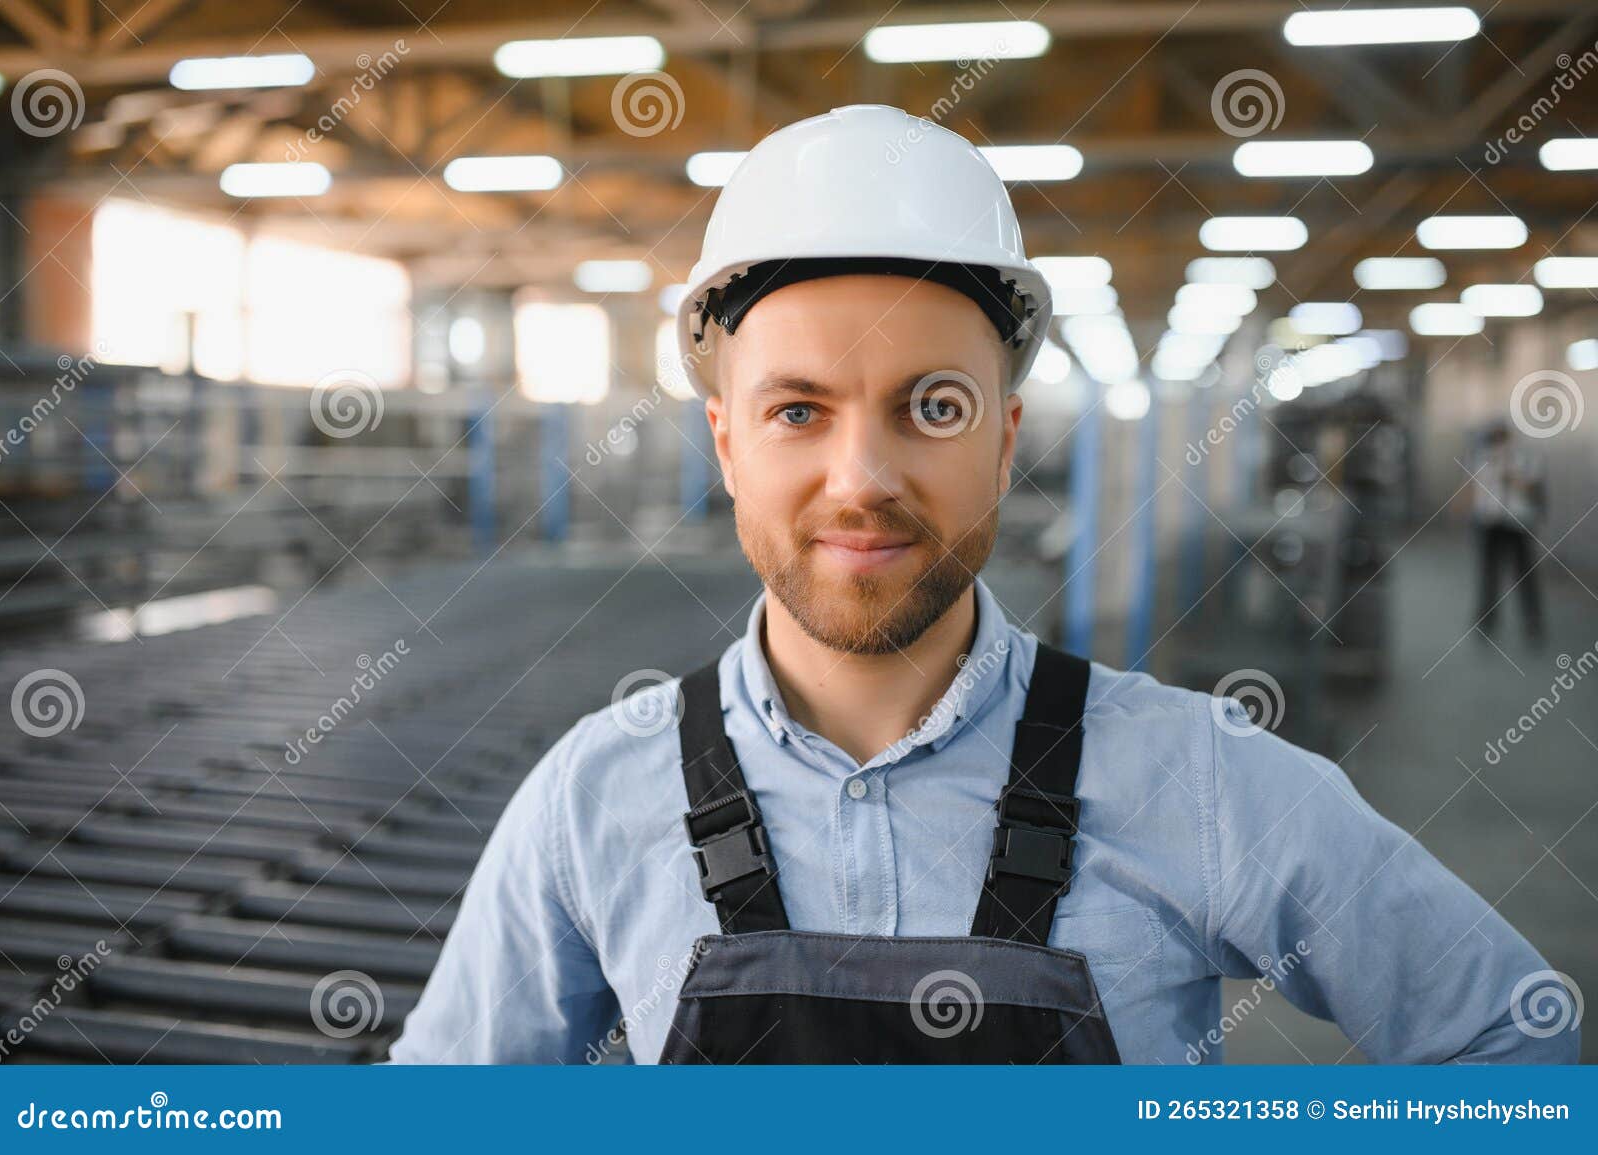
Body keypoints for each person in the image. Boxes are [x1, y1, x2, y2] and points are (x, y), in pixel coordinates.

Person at [387, 106, 1577, 1065]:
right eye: (797, 410)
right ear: (726, 445)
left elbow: (1511, 1046)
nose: (861, 480)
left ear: (1005, 441)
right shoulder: (590, 805)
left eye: (931, 407)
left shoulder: (1204, 782)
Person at [1472, 420, 1546, 642]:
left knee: (1525, 575)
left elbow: (1533, 488)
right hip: (1492, 523)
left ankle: (1532, 623)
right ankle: (1487, 622)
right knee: (1489, 574)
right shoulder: (1485, 458)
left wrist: (1508, 472)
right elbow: (1479, 490)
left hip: (1517, 523)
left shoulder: (1525, 458)